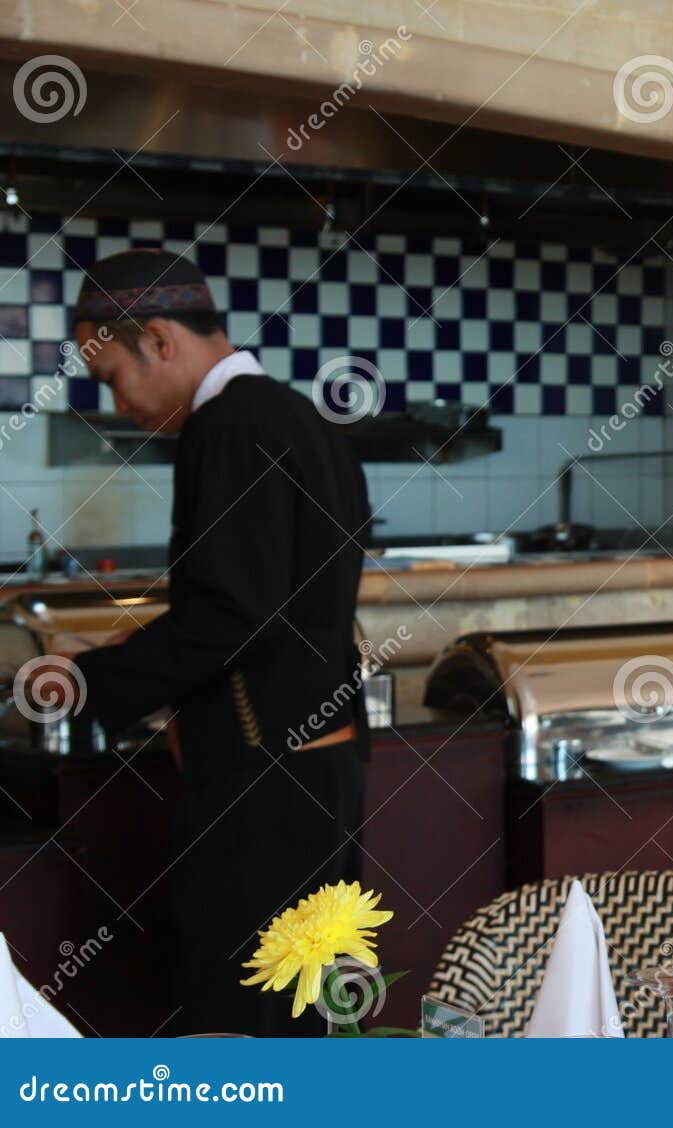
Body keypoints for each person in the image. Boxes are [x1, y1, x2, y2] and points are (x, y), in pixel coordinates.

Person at [38, 248, 373, 1036]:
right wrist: (161, 638)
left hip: (259, 784)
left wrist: (86, 680)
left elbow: (229, 617)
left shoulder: (227, 425)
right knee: (312, 1014)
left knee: (240, 1026)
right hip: (322, 768)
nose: (118, 404)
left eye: (113, 376)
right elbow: (269, 598)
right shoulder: (302, 418)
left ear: (159, 338)